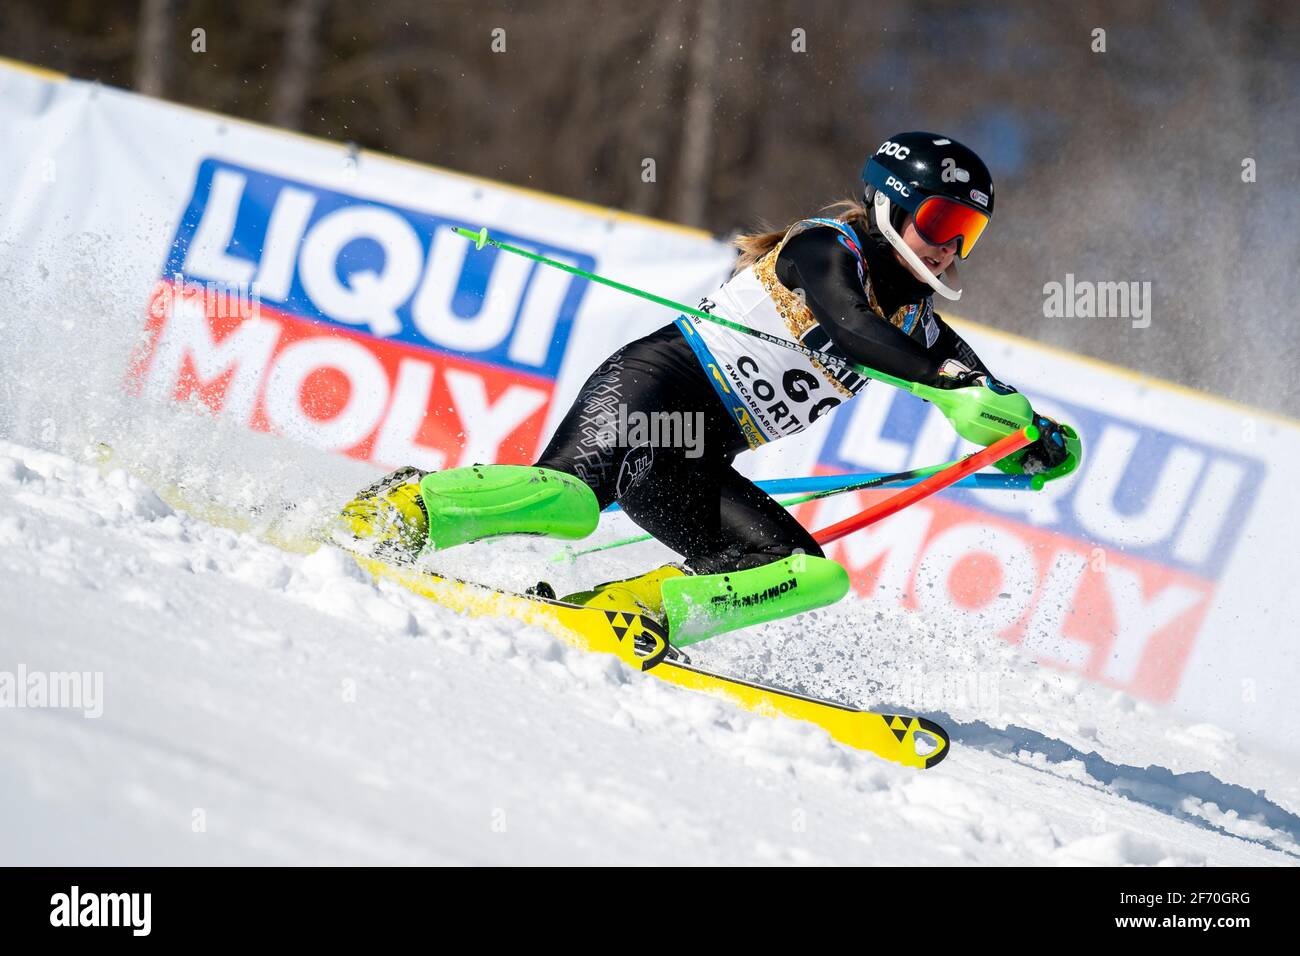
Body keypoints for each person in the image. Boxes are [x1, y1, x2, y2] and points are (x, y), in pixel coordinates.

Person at [340, 132, 1079, 645]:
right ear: (891, 205)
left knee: (803, 575)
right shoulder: (829, 246)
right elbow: (854, 328)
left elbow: (975, 387)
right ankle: (400, 510)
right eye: (941, 221)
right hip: (654, 393)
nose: (950, 246)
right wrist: (950, 384)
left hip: (693, 456)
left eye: (968, 233)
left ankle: (629, 610)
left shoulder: (917, 322)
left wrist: (1030, 438)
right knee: (567, 505)